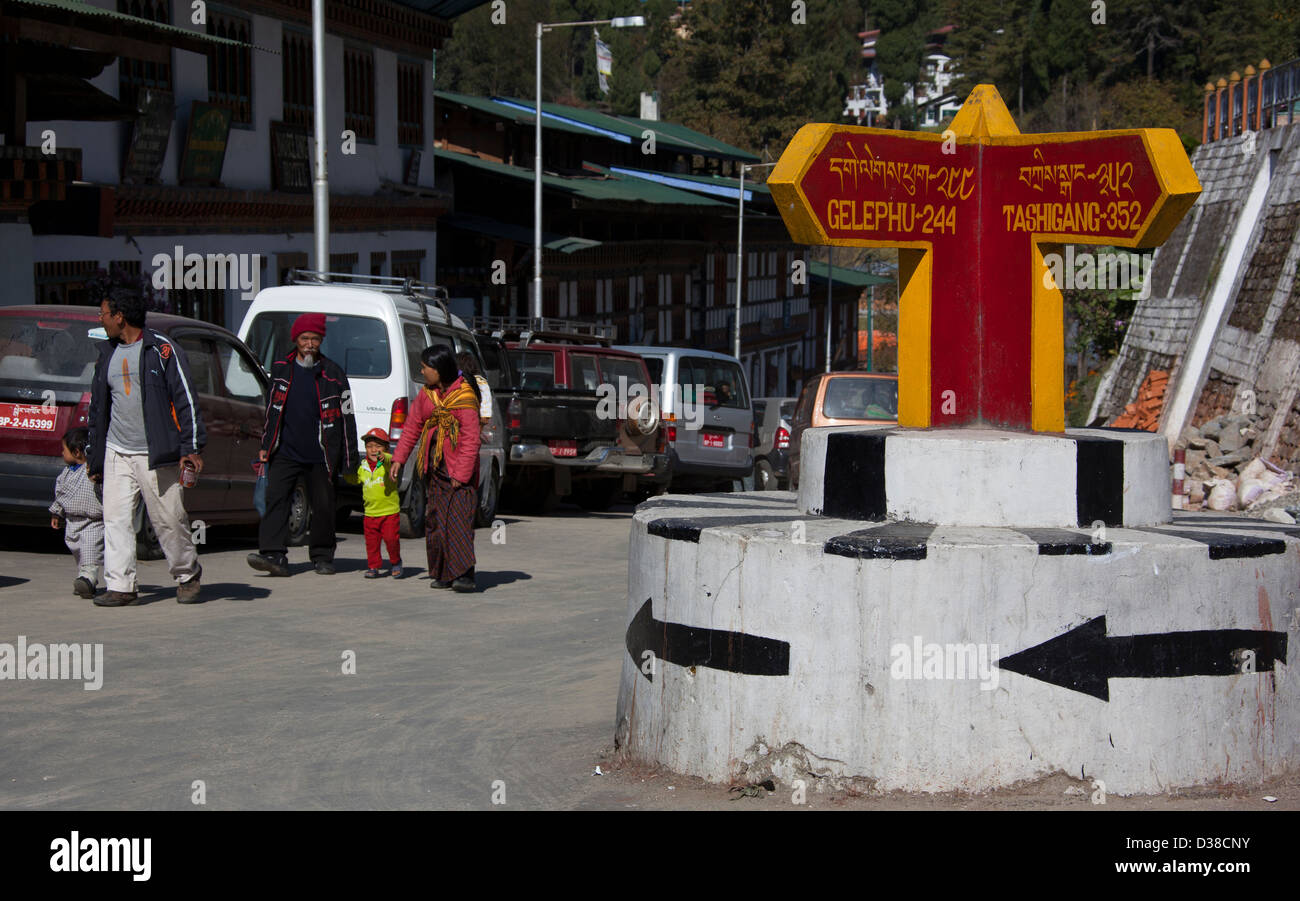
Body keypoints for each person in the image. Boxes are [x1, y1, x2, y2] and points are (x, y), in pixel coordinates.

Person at [87, 290, 206, 606]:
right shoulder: (106, 353)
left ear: (119, 317)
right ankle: (121, 586)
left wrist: (191, 447)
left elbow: (186, 399)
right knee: (115, 518)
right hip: (117, 450)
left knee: (169, 518)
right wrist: (94, 455)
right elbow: (98, 409)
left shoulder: (162, 350)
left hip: (156, 452)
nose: (100, 320)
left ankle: (187, 575)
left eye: (103, 314)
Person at [247, 312, 359, 577]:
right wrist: (265, 444)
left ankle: (322, 555)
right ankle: (273, 554)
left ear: (321, 341)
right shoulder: (281, 369)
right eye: (305, 338)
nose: (309, 344)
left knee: (323, 506)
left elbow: (348, 418)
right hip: (284, 450)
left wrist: (350, 458)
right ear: (295, 339)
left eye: (315, 339)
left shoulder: (334, 374)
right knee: (276, 500)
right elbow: (271, 411)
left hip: (321, 454)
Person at [392, 345, 481, 592]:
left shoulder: (464, 397)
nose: (422, 371)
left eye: (425, 367)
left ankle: (464, 574)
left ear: (440, 370)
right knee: (436, 522)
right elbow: (412, 427)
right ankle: (443, 572)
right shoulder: (426, 395)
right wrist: (399, 458)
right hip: (435, 467)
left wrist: (460, 475)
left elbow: (471, 439)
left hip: (458, 472)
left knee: (458, 523)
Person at [49, 426, 103, 599]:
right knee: (78, 551)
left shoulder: (93, 471)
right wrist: (57, 512)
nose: (61, 453)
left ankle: (88, 578)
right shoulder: (65, 474)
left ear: (77, 452)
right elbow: (60, 494)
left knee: (89, 552)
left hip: (93, 521)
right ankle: (83, 577)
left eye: (64, 449)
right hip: (72, 521)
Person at [344, 428, 402, 579]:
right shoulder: (363, 466)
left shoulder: (388, 463)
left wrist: (384, 457)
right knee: (372, 543)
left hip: (389, 512)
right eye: (369, 446)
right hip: (370, 513)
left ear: (386, 448)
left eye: (378, 446)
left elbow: (391, 459)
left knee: (391, 540)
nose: (373, 450)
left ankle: (396, 561)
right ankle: (374, 566)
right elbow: (354, 480)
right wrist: (346, 472)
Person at [455, 351, 494, 426]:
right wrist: (485, 415)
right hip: (473, 416)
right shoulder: (480, 380)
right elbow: (486, 397)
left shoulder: (458, 380)